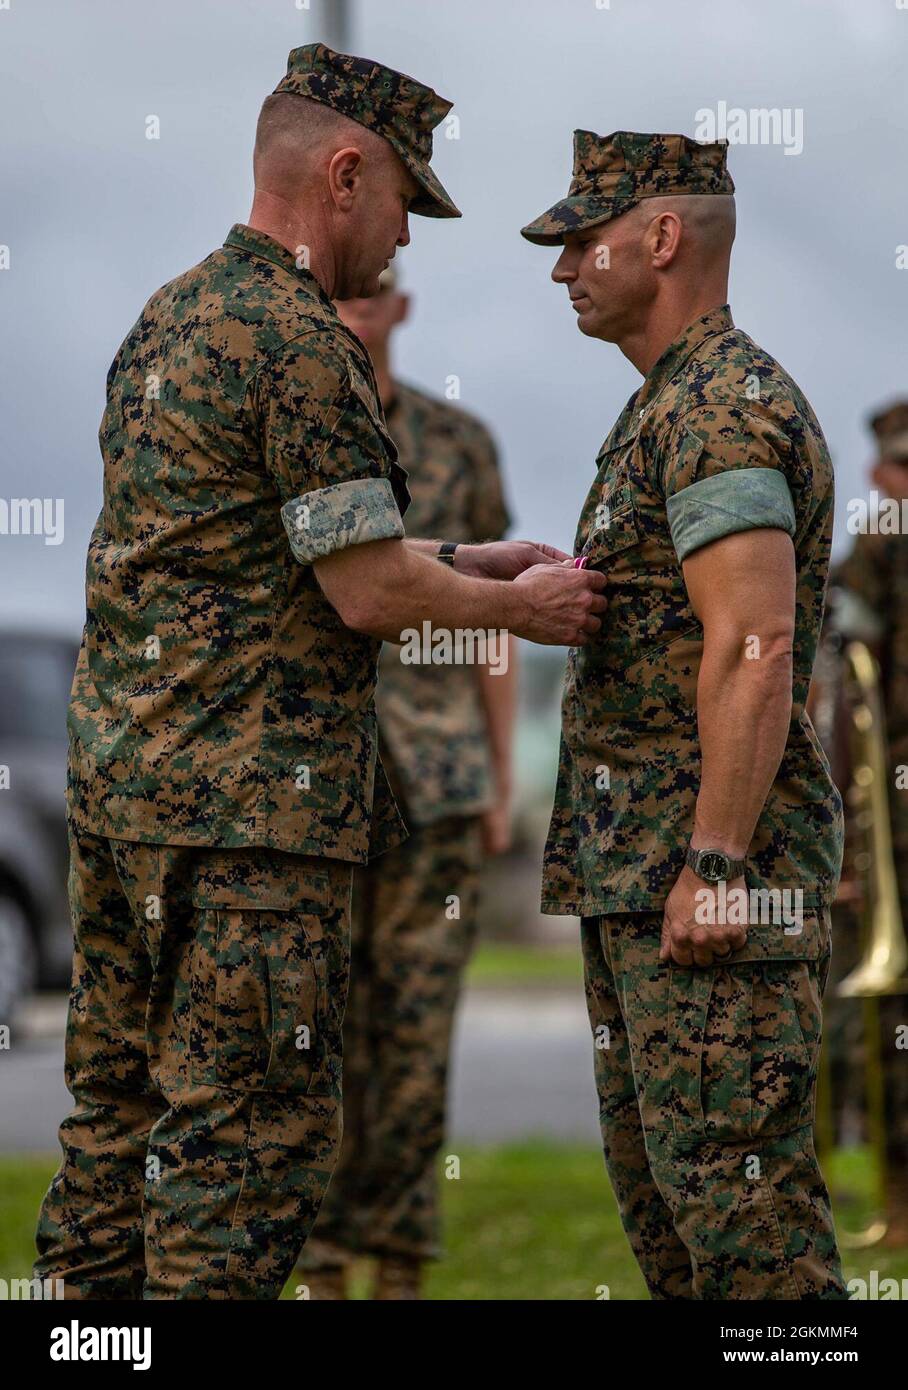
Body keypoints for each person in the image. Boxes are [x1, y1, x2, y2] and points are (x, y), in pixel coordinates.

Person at [34, 45, 605, 1301]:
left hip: (131, 801)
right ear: (344, 174)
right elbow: (364, 589)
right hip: (252, 820)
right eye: (404, 202)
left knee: (113, 1125)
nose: (402, 241)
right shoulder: (299, 338)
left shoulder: (172, 315)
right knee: (242, 1149)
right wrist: (522, 603)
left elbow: (257, 543)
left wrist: (455, 550)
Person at [521, 129, 846, 1298]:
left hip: (705, 881)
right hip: (647, 879)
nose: (561, 270)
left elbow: (754, 647)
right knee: (676, 1221)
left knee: (745, 1228)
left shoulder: (716, 407)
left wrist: (713, 858)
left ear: (660, 240)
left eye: (580, 243)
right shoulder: (668, 406)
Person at [301, 267, 516, 1300]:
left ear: (401, 307)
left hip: (435, 779)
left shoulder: (458, 442)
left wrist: (499, 777)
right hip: (317, 785)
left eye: (371, 295)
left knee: (417, 1037)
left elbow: (498, 621)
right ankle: (321, 1257)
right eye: (339, 296)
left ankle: (396, 1266)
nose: (355, 311)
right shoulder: (290, 423)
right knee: (313, 1029)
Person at [831, 400, 908, 1244]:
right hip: (894, 818)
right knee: (890, 1016)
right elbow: (850, 708)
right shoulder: (873, 561)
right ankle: (897, 1192)